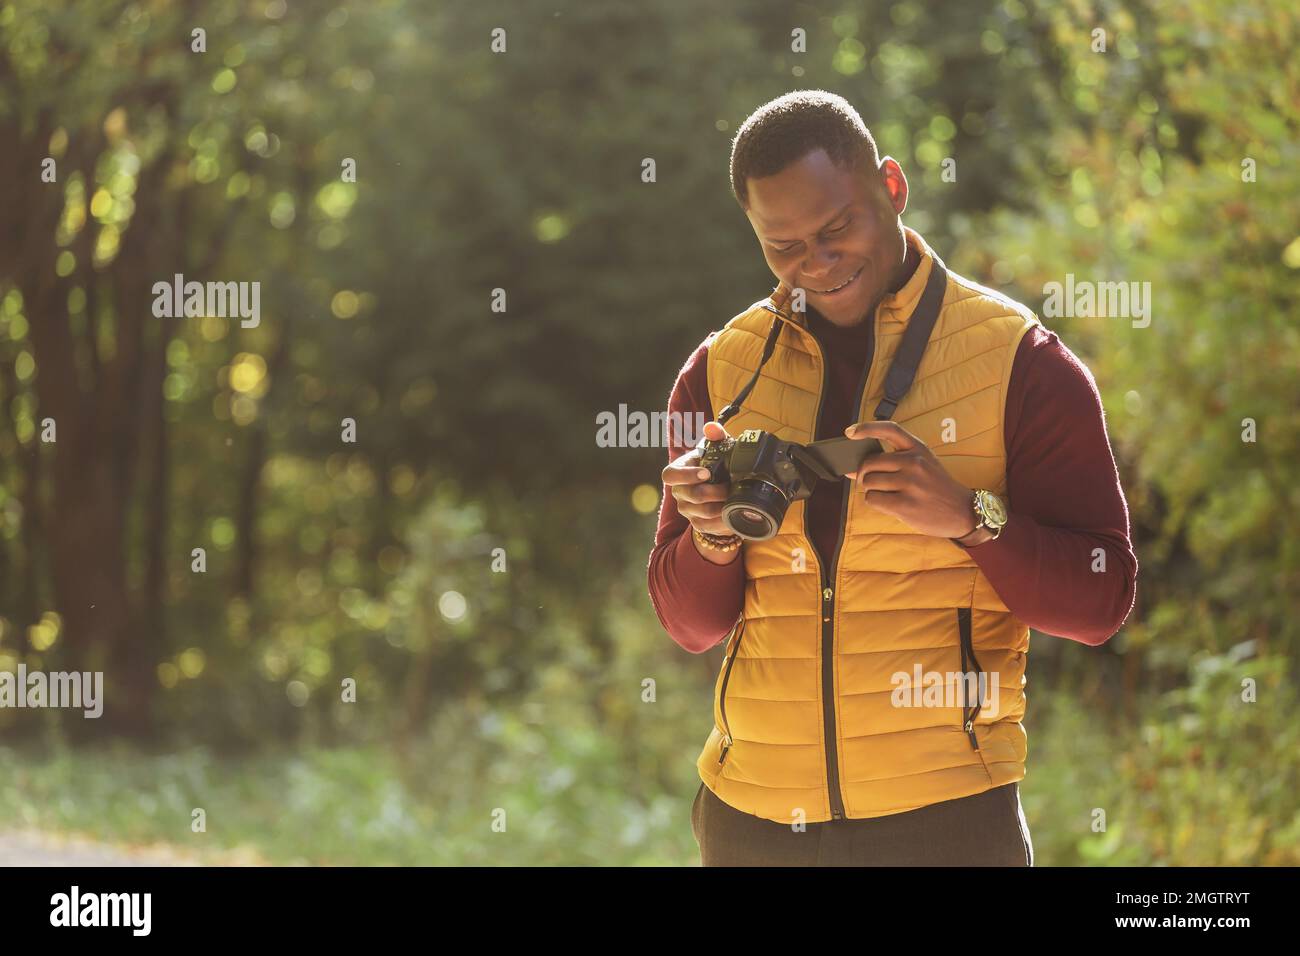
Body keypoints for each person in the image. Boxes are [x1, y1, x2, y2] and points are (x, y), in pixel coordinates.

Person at [646, 90, 1138, 866]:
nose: (816, 263)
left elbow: (1100, 603)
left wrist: (973, 518)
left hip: (947, 821)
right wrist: (710, 540)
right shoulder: (719, 371)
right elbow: (689, 626)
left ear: (894, 187)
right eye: (783, 246)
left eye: (837, 227)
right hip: (753, 822)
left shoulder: (1024, 364)